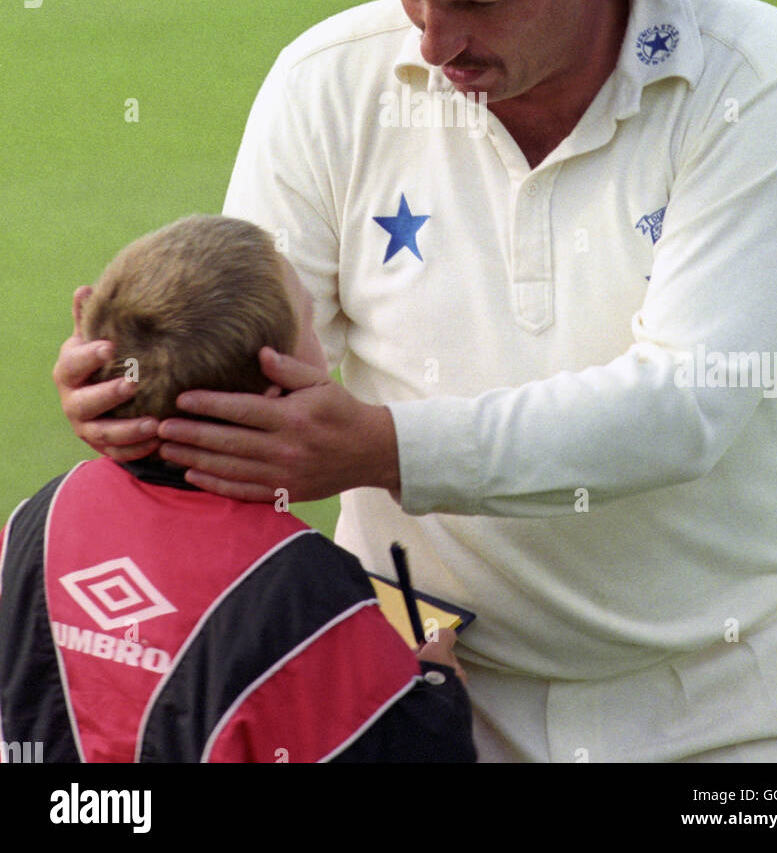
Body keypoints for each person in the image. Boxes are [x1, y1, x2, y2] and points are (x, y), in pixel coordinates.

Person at [56, 0, 777, 764]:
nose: (431, 44)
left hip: (720, 711)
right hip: (409, 696)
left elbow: (684, 405)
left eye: (474, 3)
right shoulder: (325, 80)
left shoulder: (757, 79)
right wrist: (137, 390)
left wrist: (384, 449)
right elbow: (244, 361)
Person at [0, 215, 476, 763]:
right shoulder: (302, 586)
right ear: (280, 380)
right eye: (310, 318)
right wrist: (439, 683)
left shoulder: (37, 520)